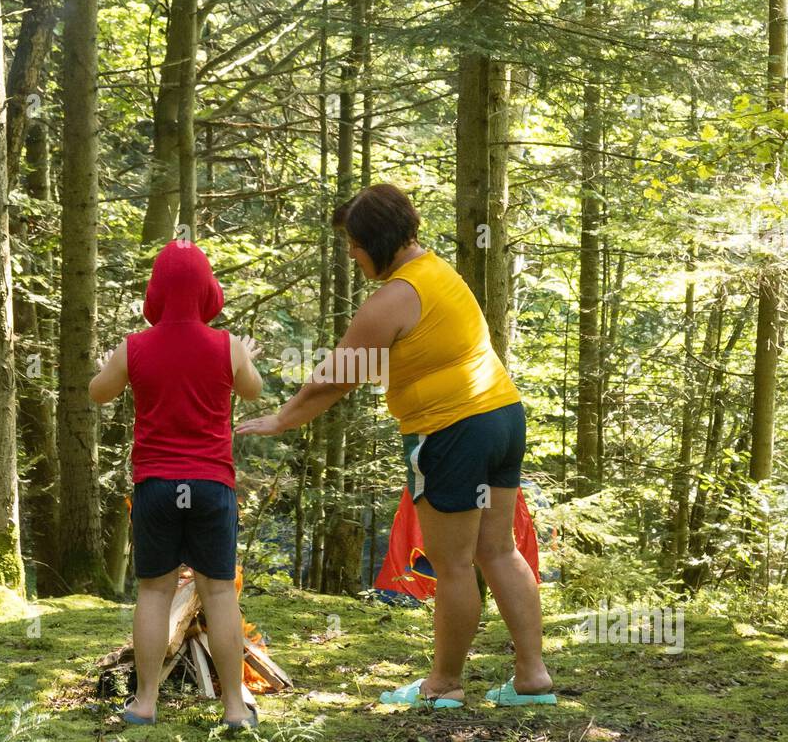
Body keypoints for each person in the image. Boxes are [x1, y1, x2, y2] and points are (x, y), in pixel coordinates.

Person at [237, 183, 556, 709]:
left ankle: (443, 685)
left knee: (451, 563)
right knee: (498, 550)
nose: (350, 255)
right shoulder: (438, 274)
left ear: (376, 241)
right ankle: (531, 677)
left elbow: (338, 377)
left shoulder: (393, 297)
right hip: (502, 415)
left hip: (452, 431)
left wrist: (283, 418)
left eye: (354, 245)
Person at [90, 240, 263, 728]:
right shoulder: (225, 344)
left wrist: (110, 362)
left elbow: (98, 393)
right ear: (207, 290)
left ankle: (144, 703)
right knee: (220, 593)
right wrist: (242, 356)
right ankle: (234, 707)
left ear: (157, 291)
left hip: (156, 485)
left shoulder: (134, 346)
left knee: (153, 591)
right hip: (211, 485)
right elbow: (252, 389)